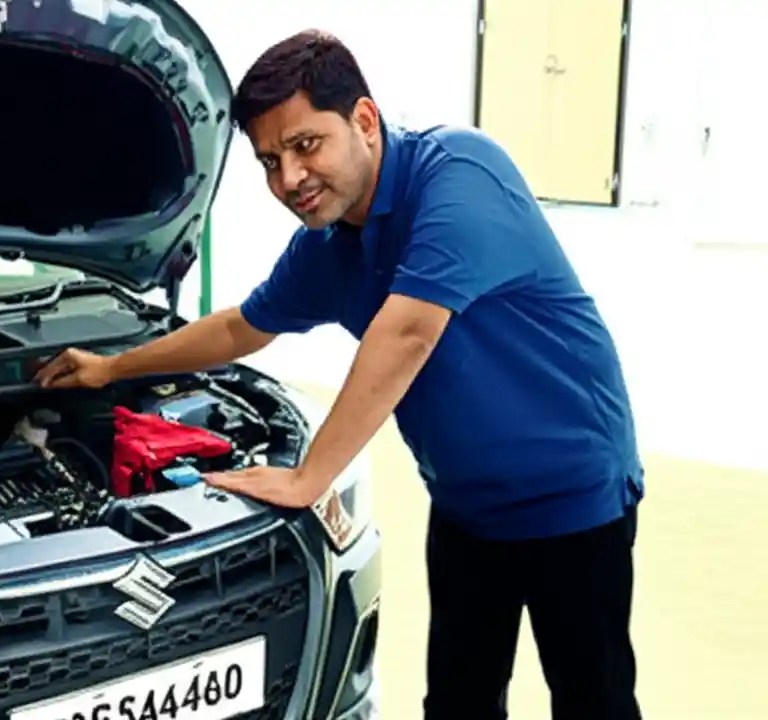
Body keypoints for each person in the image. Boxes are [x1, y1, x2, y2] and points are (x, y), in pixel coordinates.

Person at [32, 28, 644, 720]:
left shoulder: (460, 174)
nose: (288, 179)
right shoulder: (328, 247)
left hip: (572, 496)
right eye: (268, 161)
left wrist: (307, 476)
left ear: (364, 120)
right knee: (459, 701)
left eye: (304, 145)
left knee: (593, 699)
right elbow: (241, 327)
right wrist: (111, 367)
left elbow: (406, 335)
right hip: (469, 507)